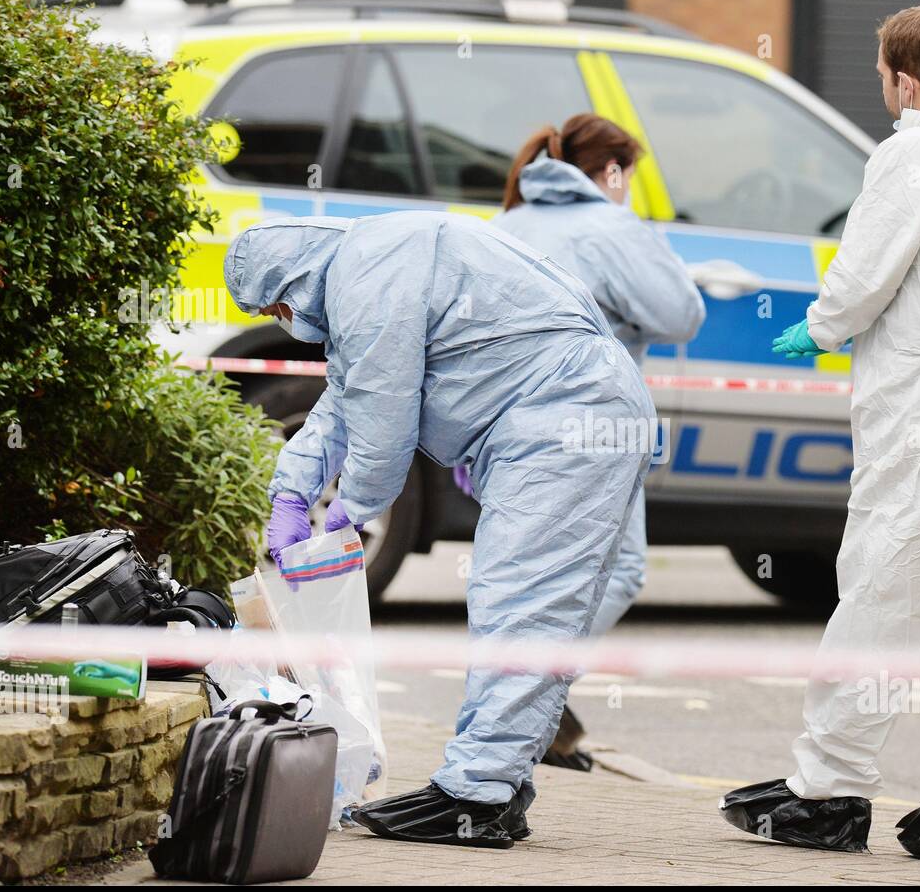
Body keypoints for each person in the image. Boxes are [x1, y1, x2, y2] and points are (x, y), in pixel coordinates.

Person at [721, 3, 920, 865]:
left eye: (882, 78)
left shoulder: (916, 150)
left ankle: (830, 789)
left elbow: (866, 271)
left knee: (884, 583)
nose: (883, 93)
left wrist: (823, 327)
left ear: (906, 79)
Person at [228, 210, 655, 848]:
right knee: (522, 607)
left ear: (291, 281)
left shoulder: (367, 277)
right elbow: (342, 402)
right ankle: (497, 786)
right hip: (567, 413)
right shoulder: (366, 266)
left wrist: (357, 506)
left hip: (566, 421)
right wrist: (290, 493)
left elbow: (382, 414)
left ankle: (474, 796)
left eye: (276, 309)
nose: (284, 323)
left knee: (521, 604)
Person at [485, 114, 706, 768]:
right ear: (613, 172)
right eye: (630, 178)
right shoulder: (611, 228)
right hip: (592, 426)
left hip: (507, 427)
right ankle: (521, 687)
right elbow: (681, 314)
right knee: (616, 569)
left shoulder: (511, 222)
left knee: (524, 572)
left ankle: (522, 700)